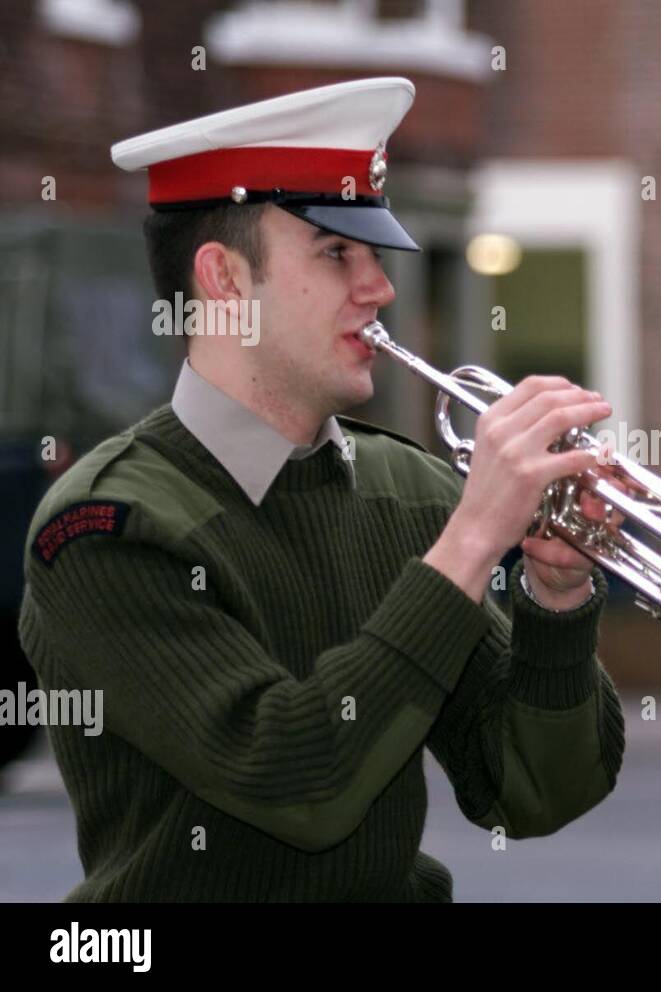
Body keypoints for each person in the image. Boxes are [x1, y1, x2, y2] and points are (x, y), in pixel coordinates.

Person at [18, 77, 625, 902]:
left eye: (375, 256)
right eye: (337, 253)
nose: (380, 290)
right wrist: (474, 539)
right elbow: (295, 781)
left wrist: (559, 595)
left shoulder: (405, 488)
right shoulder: (104, 526)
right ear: (225, 280)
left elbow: (532, 792)